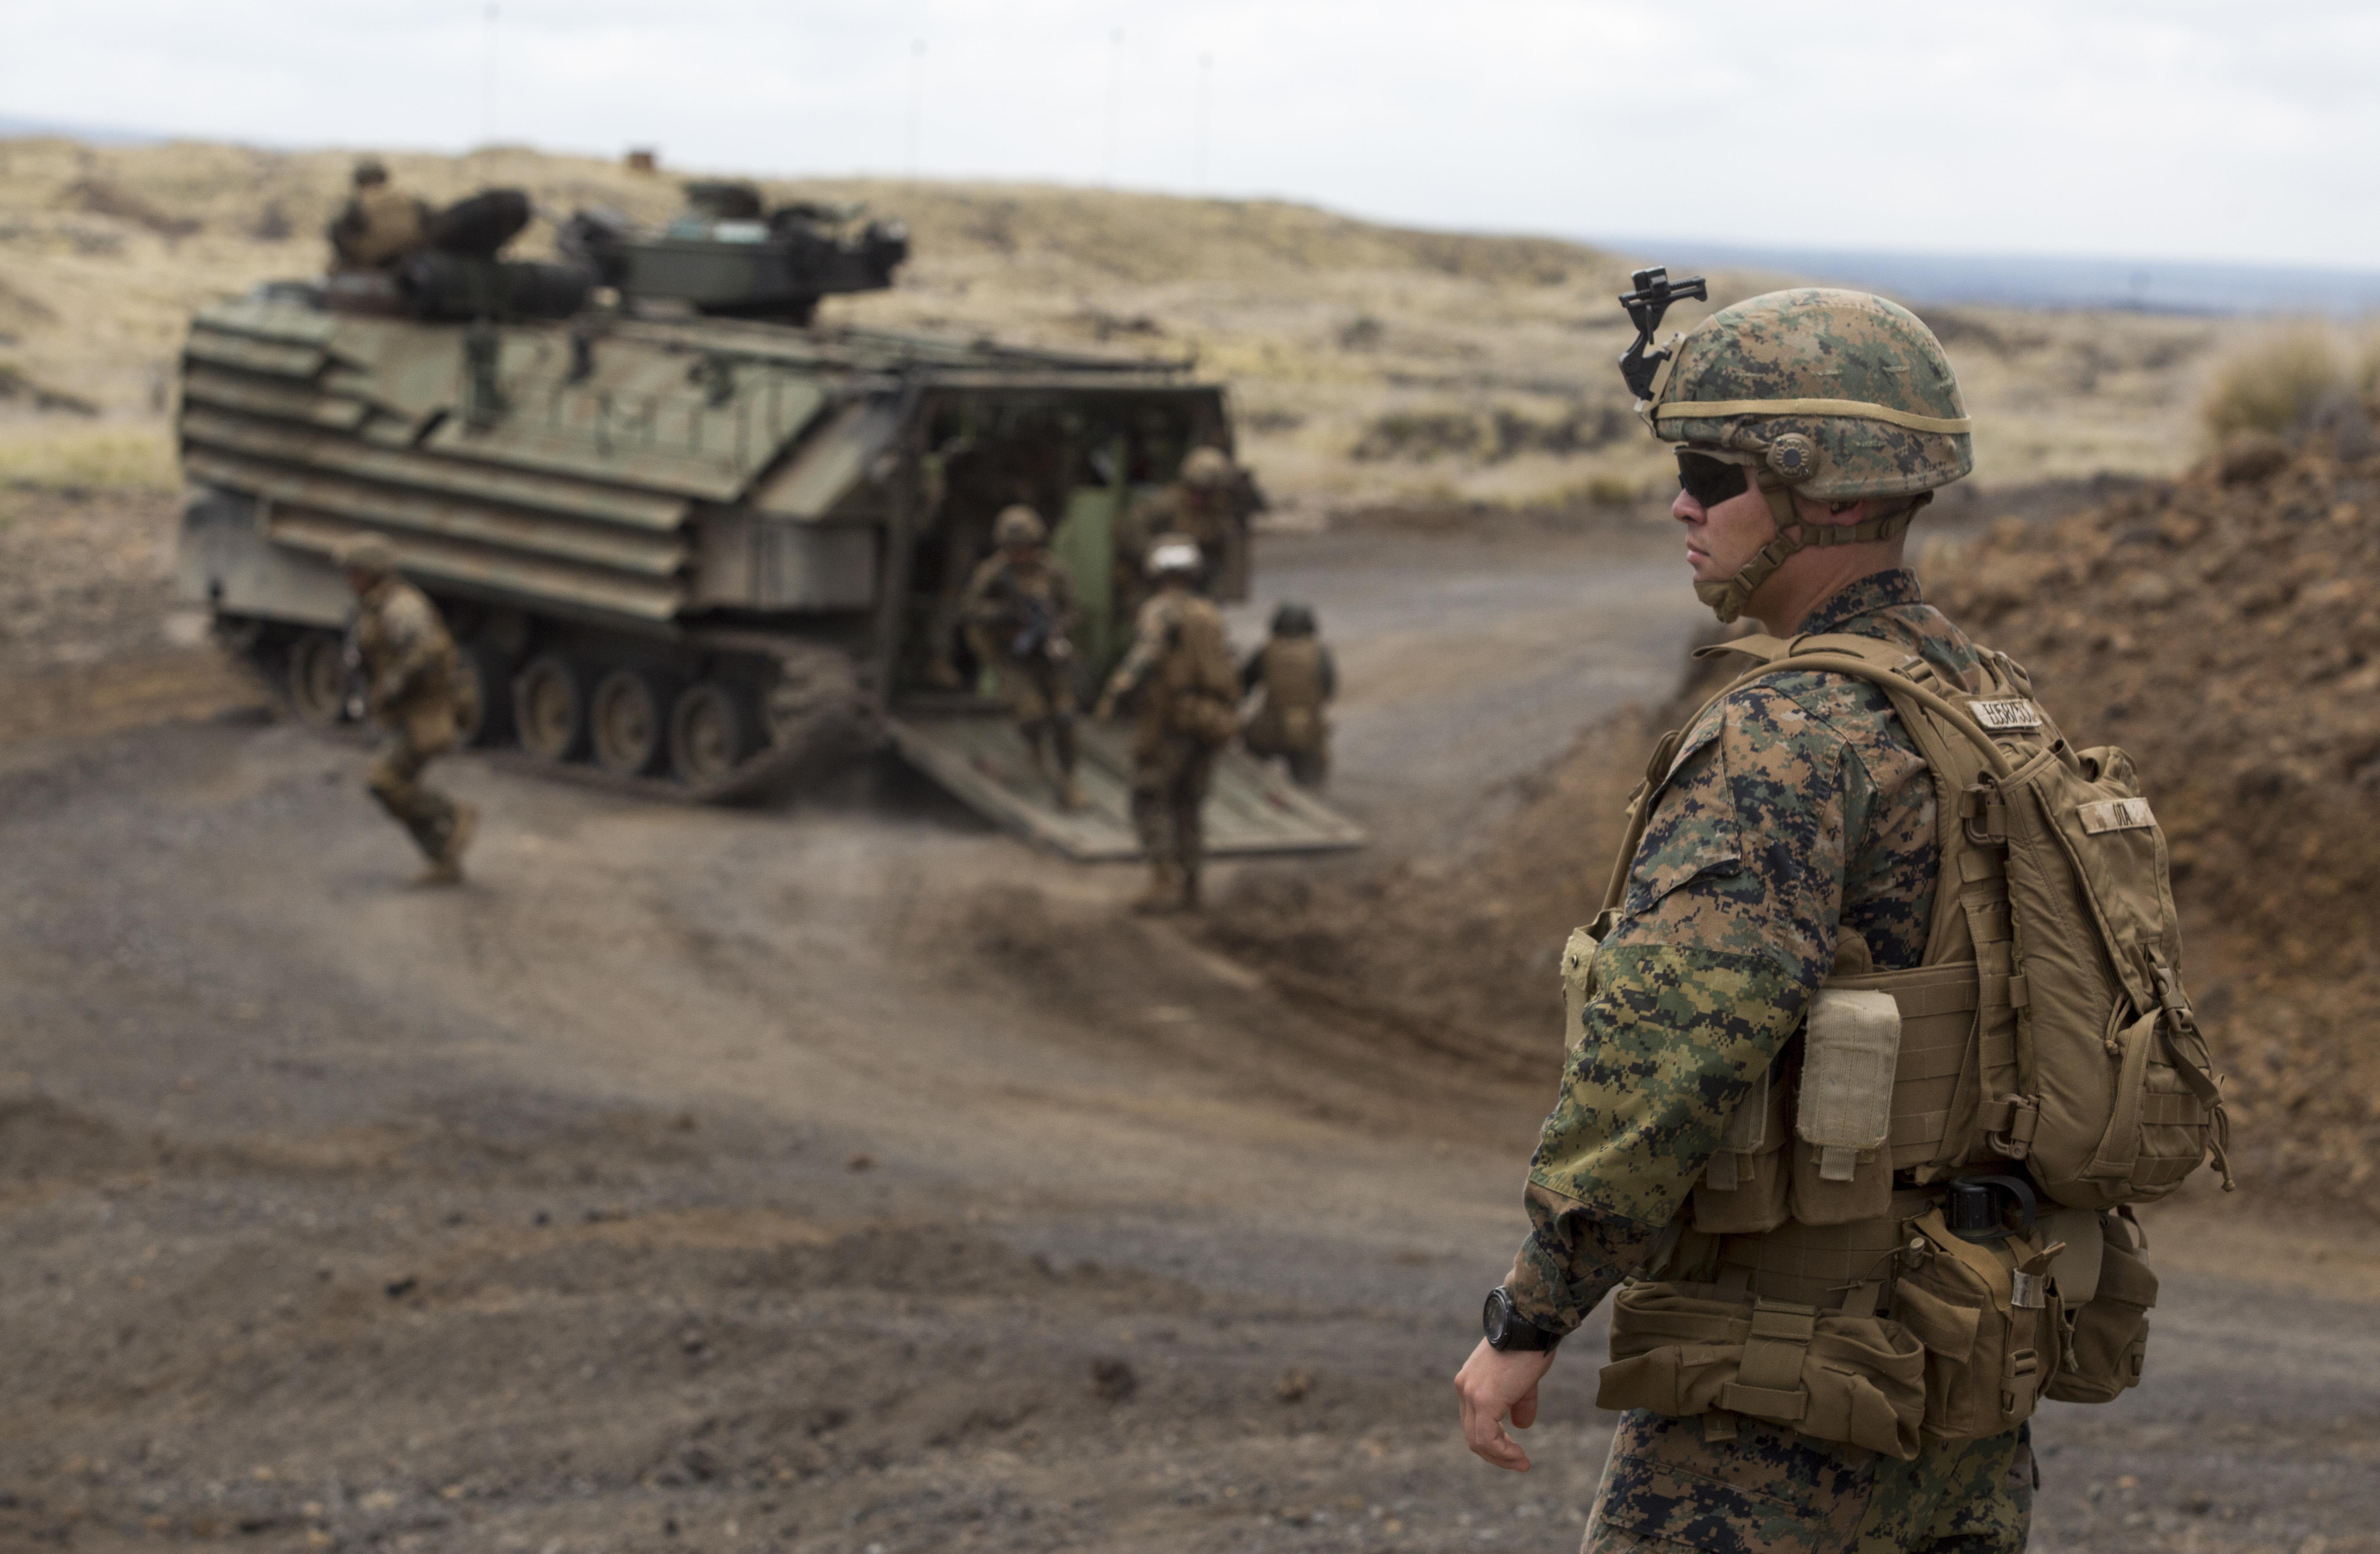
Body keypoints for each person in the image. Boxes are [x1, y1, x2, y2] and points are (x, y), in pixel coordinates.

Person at [1452, 286, 2209, 1553]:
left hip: (1782, 1386)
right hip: (1965, 1355)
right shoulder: (1987, 699)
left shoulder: (1780, 739)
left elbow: (1668, 1060)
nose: (1681, 505)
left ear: (1835, 499)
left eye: (1714, 475)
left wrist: (1528, 1313)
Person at [1095, 534, 1239, 913]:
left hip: (1171, 719)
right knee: (1189, 805)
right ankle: (1193, 886)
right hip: (1210, 719)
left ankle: (1162, 880)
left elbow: (1147, 655)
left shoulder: (1160, 611)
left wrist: (1115, 694)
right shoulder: (1210, 613)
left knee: (1149, 796)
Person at [337, 534, 479, 885]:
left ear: (373, 571)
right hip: (406, 713)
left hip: (425, 714)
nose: (349, 579)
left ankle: (454, 814)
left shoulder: (402, 606)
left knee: (383, 781)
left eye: (355, 572)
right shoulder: (374, 605)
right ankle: (444, 859)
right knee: (398, 790)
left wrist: (394, 682)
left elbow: (430, 649)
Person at [962, 505, 1085, 810]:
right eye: (1014, 549)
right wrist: (1003, 614)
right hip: (1013, 657)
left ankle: (1069, 780)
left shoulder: (1053, 571)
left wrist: (1056, 626)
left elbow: (1073, 610)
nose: (1021, 555)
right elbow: (971, 609)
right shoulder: (994, 573)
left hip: (1049, 656)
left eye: (1026, 547)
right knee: (1031, 715)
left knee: (1066, 718)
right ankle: (1034, 751)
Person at [1114, 445, 1247, 625]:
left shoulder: (1221, 517)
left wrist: (1221, 595)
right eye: (1194, 491)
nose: (1199, 499)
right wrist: (1154, 552)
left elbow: (1230, 557)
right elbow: (1130, 527)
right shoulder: (1167, 503)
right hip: (1154, 582)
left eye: (1206, 493)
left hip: (1197, 584)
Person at [1239, 601, 1335, 788]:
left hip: (1270, 729)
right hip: (1309, 731)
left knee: (1247, 757)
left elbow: (1244, 686)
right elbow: (1328, 691)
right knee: (1310, 782)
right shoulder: (1320, 652)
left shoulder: (1266, 651)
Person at [327, 158, 428, 272]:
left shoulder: (358, 204)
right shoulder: (408, 199)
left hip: (370, 265)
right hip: (410, 261)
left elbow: (338, 234)